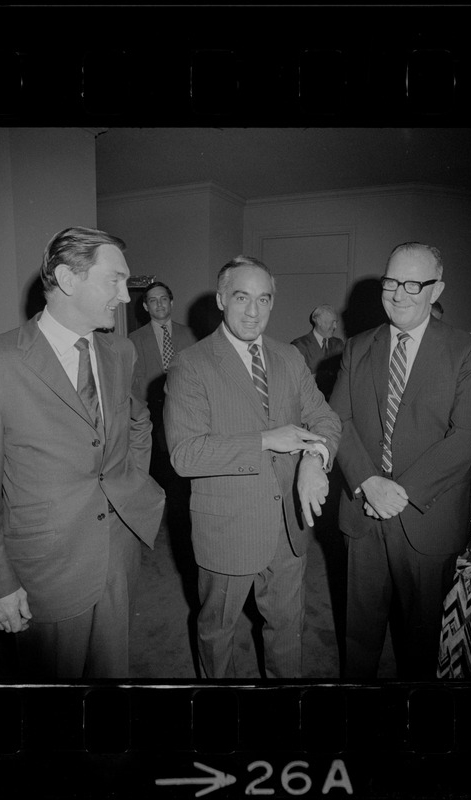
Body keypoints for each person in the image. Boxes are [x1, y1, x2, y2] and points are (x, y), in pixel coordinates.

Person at [0, 226, 166, 680]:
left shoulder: (121, 350)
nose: (125, 296)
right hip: (46, 569)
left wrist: (131, 484)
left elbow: (138, 421)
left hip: (118, 552)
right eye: (115, 280)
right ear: (68, 279)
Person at [164, 255, 341, 679]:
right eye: (242, 298)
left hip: (288, 525)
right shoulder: (191, 364)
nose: (253, 311)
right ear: (221, 299)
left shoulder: (289, 357)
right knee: (217, 631)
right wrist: (265, 439)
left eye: (263, 299)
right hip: (229, 528)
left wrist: (314, 459)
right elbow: (186, 454)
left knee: (287, 629)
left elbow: (325, 419)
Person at [328, 241, 471, 680]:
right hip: (363, 510)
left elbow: (467, 435)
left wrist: (400, 492)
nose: (399, 294)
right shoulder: (358, 347)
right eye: (391, 282)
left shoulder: (465, 350)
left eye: (413, 284)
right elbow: (337, 418)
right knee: (358, 635)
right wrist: (368, 481)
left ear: (437, 290)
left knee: (420, 640)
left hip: (427, 516)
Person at [129, 281, 196, 477]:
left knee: (184, 470)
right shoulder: (133, 339)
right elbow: (133, 384)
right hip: (152, 416)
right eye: (153, 300)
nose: (159, 304)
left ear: (171, 303)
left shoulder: (191, 335)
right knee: (158, 471)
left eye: (163, 299)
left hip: (186, 412)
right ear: (145, 306)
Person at [290, 304, 345, 399]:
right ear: (319, 321)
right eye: (332, 322)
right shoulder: (300, 345)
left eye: (336, 322)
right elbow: (296, 380)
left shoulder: (338, 344)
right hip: (310, 400)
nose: (335, 326)